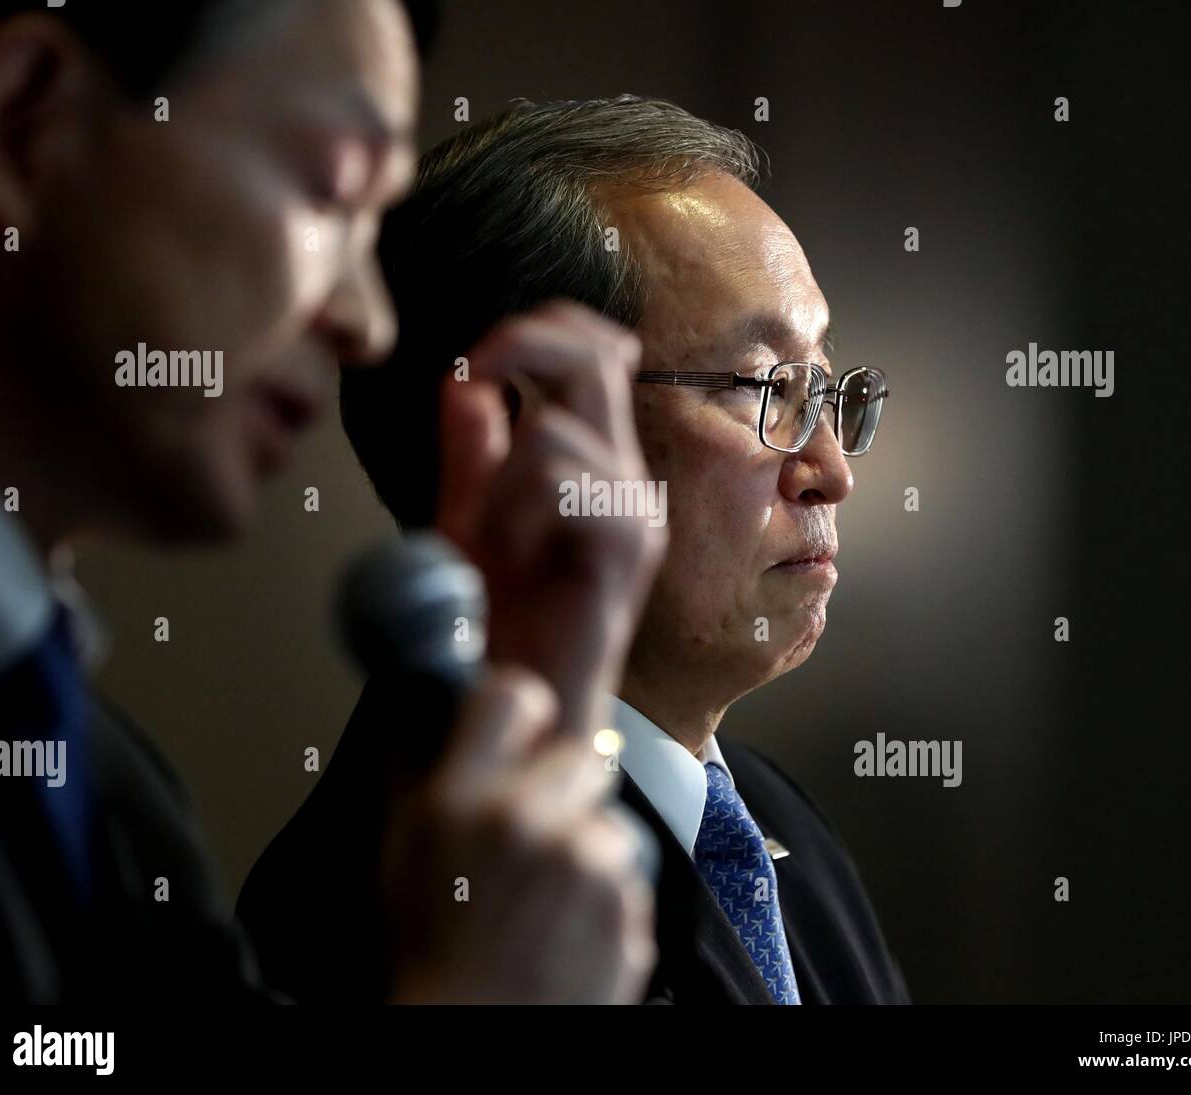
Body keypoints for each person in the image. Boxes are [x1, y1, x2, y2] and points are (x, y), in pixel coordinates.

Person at [0, 3, 662, 1004]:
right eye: (329, 192)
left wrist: (529, 711)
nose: (366, 324)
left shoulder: (114, 786)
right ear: (26, 124)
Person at [245, 96, 909, 1004]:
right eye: (768, 387)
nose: (830, 470)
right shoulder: (404, 902)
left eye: (824, 387)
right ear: (521, 434)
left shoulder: (780, 823)